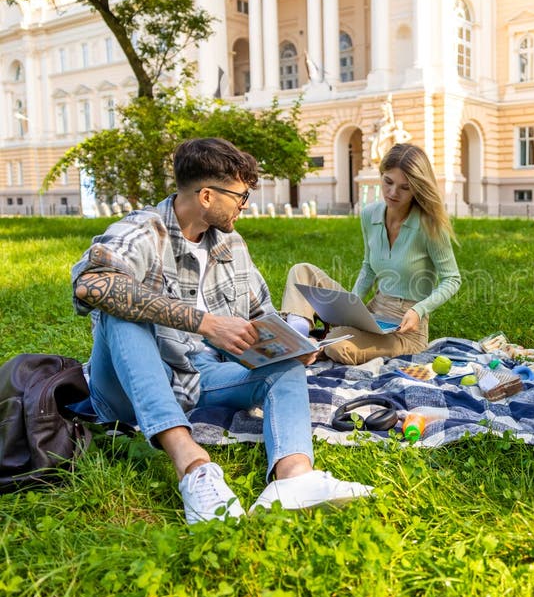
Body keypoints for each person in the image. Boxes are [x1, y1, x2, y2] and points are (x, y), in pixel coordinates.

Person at [70, 138, 373, 525]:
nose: (245, 206)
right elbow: (92, 284)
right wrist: (206, 323)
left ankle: (294, 477)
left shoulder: (231, 244)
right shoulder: (144, 232)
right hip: (129, 386)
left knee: (286, 369)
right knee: (121, 311)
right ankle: (194, 468)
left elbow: (261, 314)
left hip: (202, 377)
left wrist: (290, 346)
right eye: (241, 197)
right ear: (208, 196)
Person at [282, 143, 461, 365]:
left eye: (405, 187)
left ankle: (319, 343)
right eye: (388, 182)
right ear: (381, 175)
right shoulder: (369, 215)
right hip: (370, 313)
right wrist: (350, 304)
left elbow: (452, 279)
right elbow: (368, 266)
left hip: (405, 331)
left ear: (417, 188)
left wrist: (419, 310)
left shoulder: (430, 225)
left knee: (338, 346)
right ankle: (297, 339)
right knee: (301, 271)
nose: (393, 193)